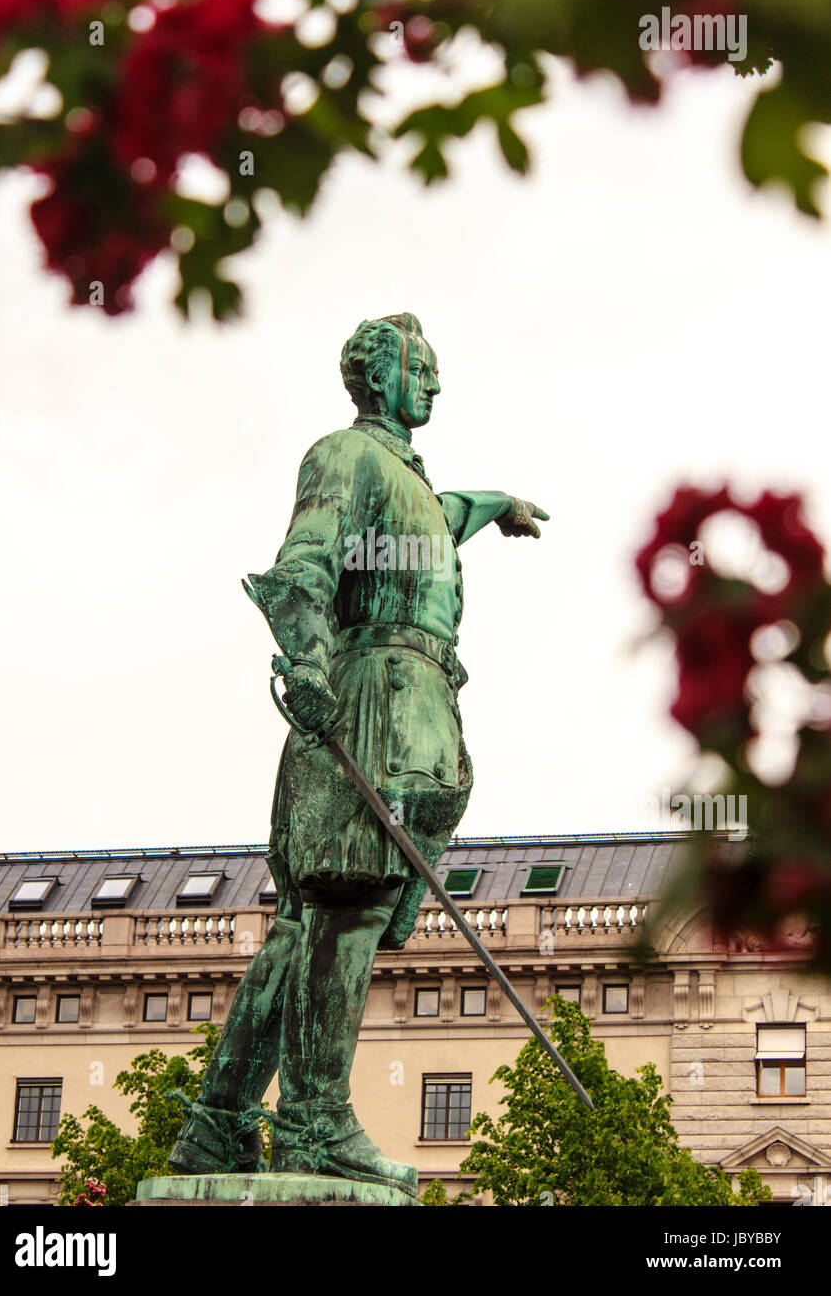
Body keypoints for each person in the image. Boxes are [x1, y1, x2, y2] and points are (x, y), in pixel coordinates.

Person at [169, 313, 547, 1196]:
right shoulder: (345, 456)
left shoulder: (408, 482)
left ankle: (219, 1121)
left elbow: (446, 517)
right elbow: (303, 564)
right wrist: (306, 661)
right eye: (425, 368)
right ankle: (313, 1120)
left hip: (411, 701)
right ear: (382, 376)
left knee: (309, 924)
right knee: (345, 906)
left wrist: (503, 506)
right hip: (370, 700)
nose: (438, 386)